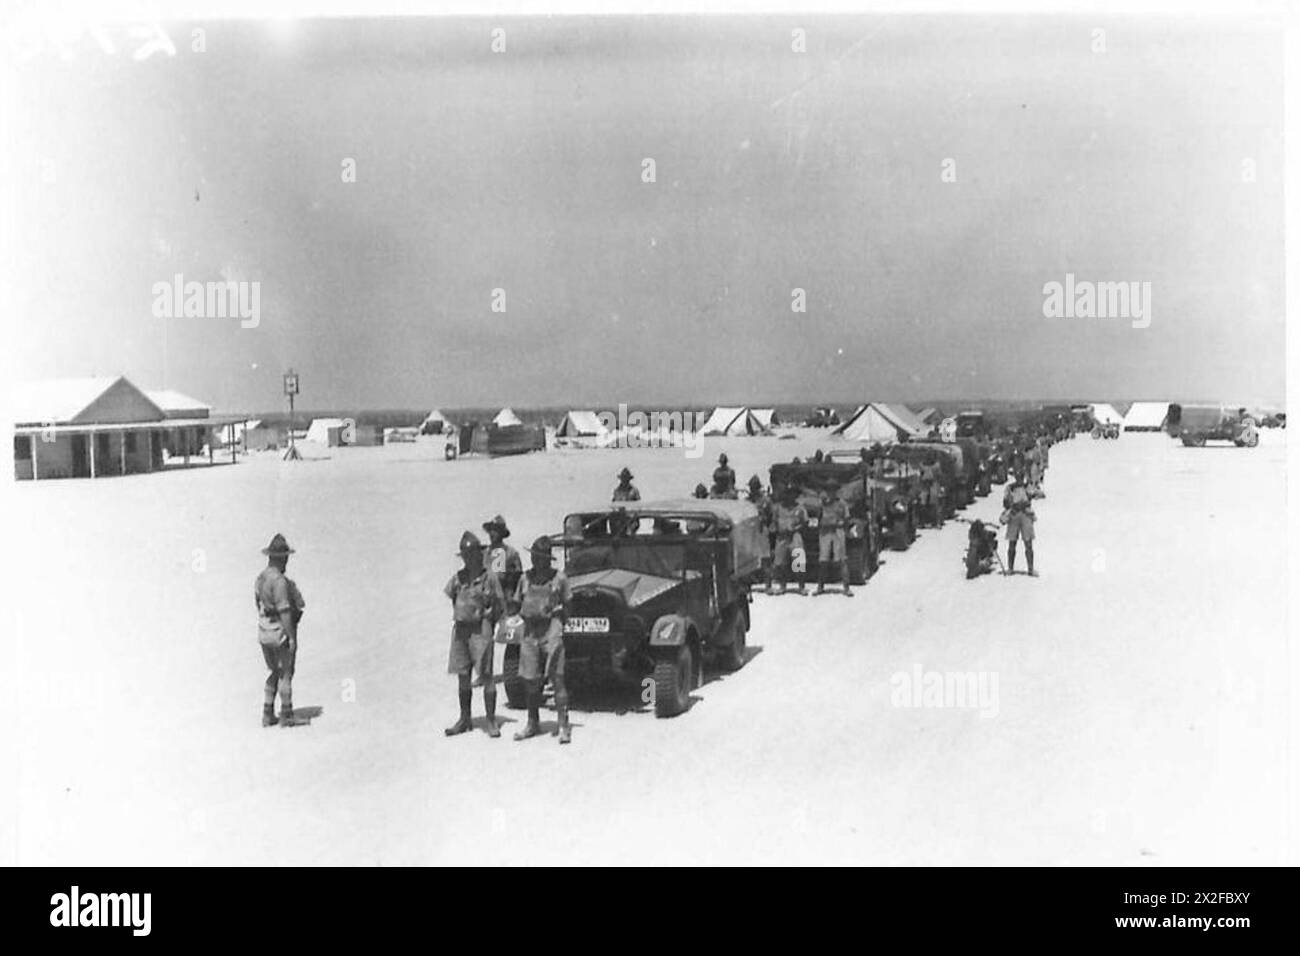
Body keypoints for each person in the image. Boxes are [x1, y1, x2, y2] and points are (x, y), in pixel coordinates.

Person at [509, 536, 572, 744]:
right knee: (530, 679)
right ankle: (532, 722)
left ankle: (563, 725)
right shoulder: (525, 579)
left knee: (557, 677)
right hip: (530, 630)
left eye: (541, 557)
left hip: (551, 627)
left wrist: (561, 624)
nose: (537, 561)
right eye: (535, 557)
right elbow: (516, 603)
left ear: (548, 559)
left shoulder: (559, 578)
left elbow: (568, 604)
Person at [444, 531, 505, 737]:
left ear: (480, 555)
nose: (469, 558)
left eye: (472, 554)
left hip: (481, 629)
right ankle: (465, 718)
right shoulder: (459, 578)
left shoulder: (490, 577)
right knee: (463, 675)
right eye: (466, 555)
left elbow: (499, 604)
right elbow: (453, 596)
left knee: (486, 675)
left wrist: (489, 621)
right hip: (461, 629)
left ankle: (490, 720)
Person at [254, 533, 307, 727]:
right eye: (285, 557)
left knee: (273, 672)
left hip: (264, 631)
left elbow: (257, 603)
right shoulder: (280, 582)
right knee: (286, 672)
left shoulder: (260, 578)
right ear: (281, 558)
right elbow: (285, 611)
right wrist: (291, 637)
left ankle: (267, 713)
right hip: (279, 632)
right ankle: (287, 714)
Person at [768, 484, 808, 595]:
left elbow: (805, 523)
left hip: (795, 536)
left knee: (798, 561)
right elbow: (774, 522)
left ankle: (801, 587)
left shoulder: (800, 508)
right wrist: (775, 529)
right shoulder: (779, 508)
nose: (790, 496)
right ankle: (782, 586)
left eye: (792, 494)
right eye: (788, 493)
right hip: (782, 537)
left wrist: (795, 528)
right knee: (781, 563)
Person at [815, 485, 853, 597]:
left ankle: (846, 588)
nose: (830, 493)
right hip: (825, 531)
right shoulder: (822, 503)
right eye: (828, 490)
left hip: (838, 530)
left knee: (842, 559)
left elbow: (847, 518)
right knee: (823, 560)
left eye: (832, 490)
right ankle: (820, 586)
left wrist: (844, 529)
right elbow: (818, 517)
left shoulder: (842, 504)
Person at [1000, 472, 1037, 577]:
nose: (1019, 478)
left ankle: (1030, 569)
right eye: (1018, 476)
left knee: (1028, 543)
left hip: (1025, 514)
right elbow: (1005, 503)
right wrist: (1012, 504)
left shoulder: (1027, 487)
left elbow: (1036, 494)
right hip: (1014, 514)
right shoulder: (1010, 488)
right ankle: (1010, 568)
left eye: (1021, 476)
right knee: (1012, 542)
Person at [482, 514, 523, 599]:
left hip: (504, 599)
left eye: (496, 530)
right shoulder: (483, 554)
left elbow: (517, 581)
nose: (492, 533)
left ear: (501, 533)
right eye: (491, 530)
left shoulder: (511, 553)